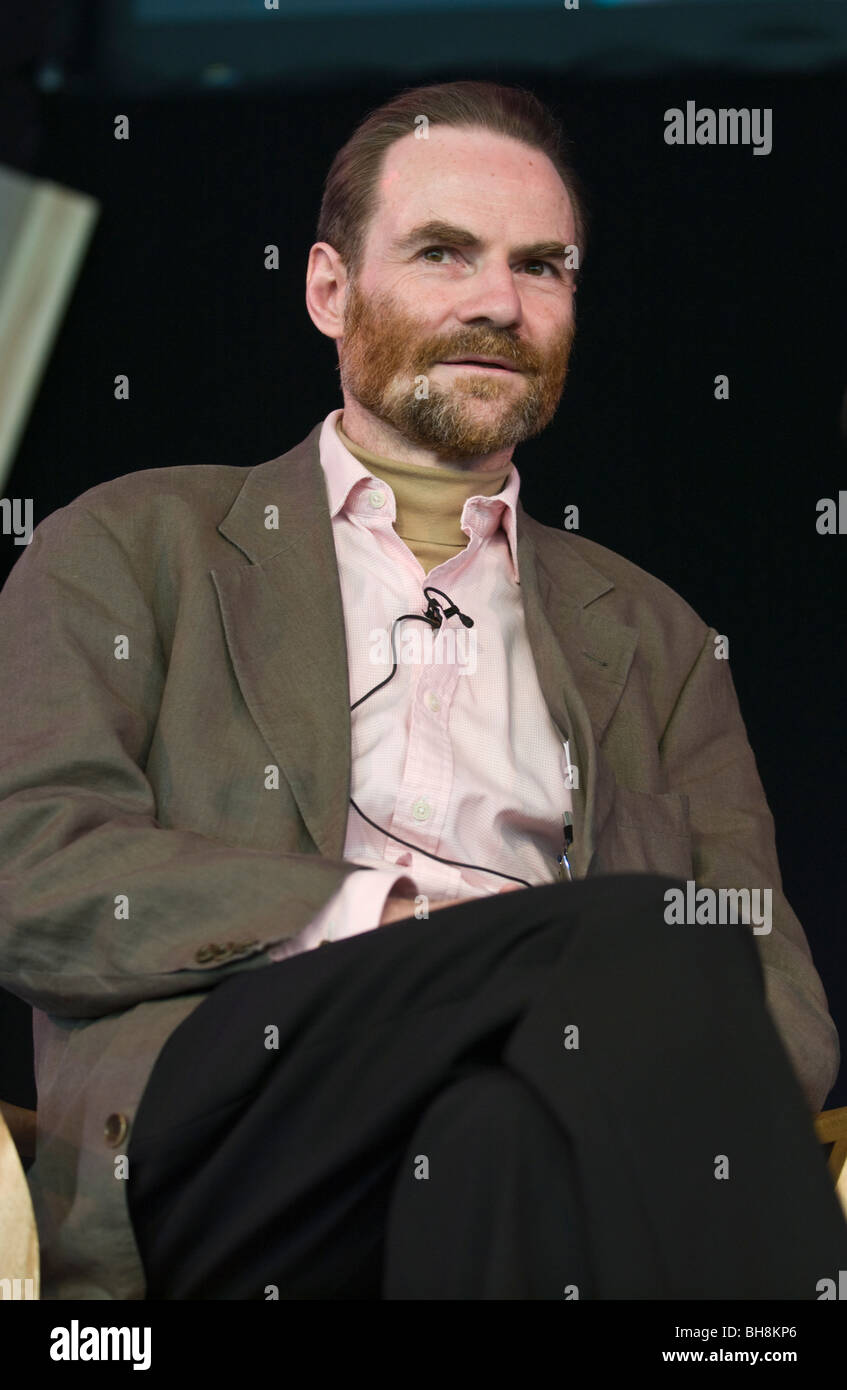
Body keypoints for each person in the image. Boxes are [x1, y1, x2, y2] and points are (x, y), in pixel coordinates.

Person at [0, 80, 844, 1301]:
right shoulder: (131, 546)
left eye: (542, 267)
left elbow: (776, 990)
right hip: (226, 1134)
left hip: (544, 1143)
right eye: (443, 252)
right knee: (636, 937)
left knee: (495, 1133)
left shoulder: (652, 636)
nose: (499, 302)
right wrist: (395, 919)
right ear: (329, 290)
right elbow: (33, 868)